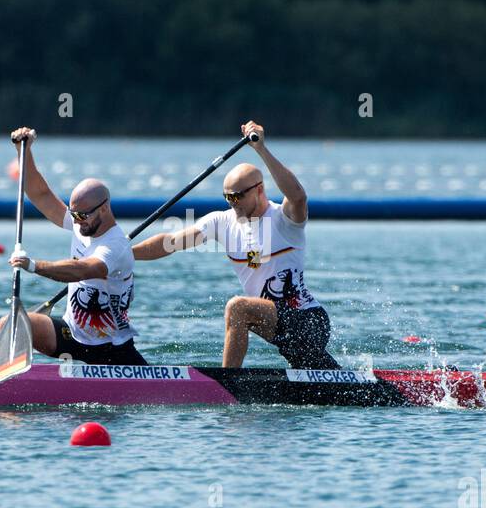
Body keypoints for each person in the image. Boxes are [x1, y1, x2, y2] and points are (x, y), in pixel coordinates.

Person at [132, 120, 339, 369]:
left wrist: (261, 149)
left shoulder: (284, 220)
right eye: (227, 197)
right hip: (277, 323)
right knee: (315, 369)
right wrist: (125, 254)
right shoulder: (221, 221)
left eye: (238, 196)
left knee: (238, 308)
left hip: (308, 321)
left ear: (259, 190)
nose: (233, 203)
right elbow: (170, 242)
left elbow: (298, 196)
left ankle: (228, 382)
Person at [1, 127, 149, 366]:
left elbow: (85, 269)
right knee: (12, 323)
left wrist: (34, 266)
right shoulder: (82, 224)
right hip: (73, 336)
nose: (77, 221)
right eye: (74, 214)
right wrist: (23, 151)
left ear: (104, 208)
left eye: (82, 215)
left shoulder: (116, 246)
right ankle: (18, 380)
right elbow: (40, 194)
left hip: (111, 348)